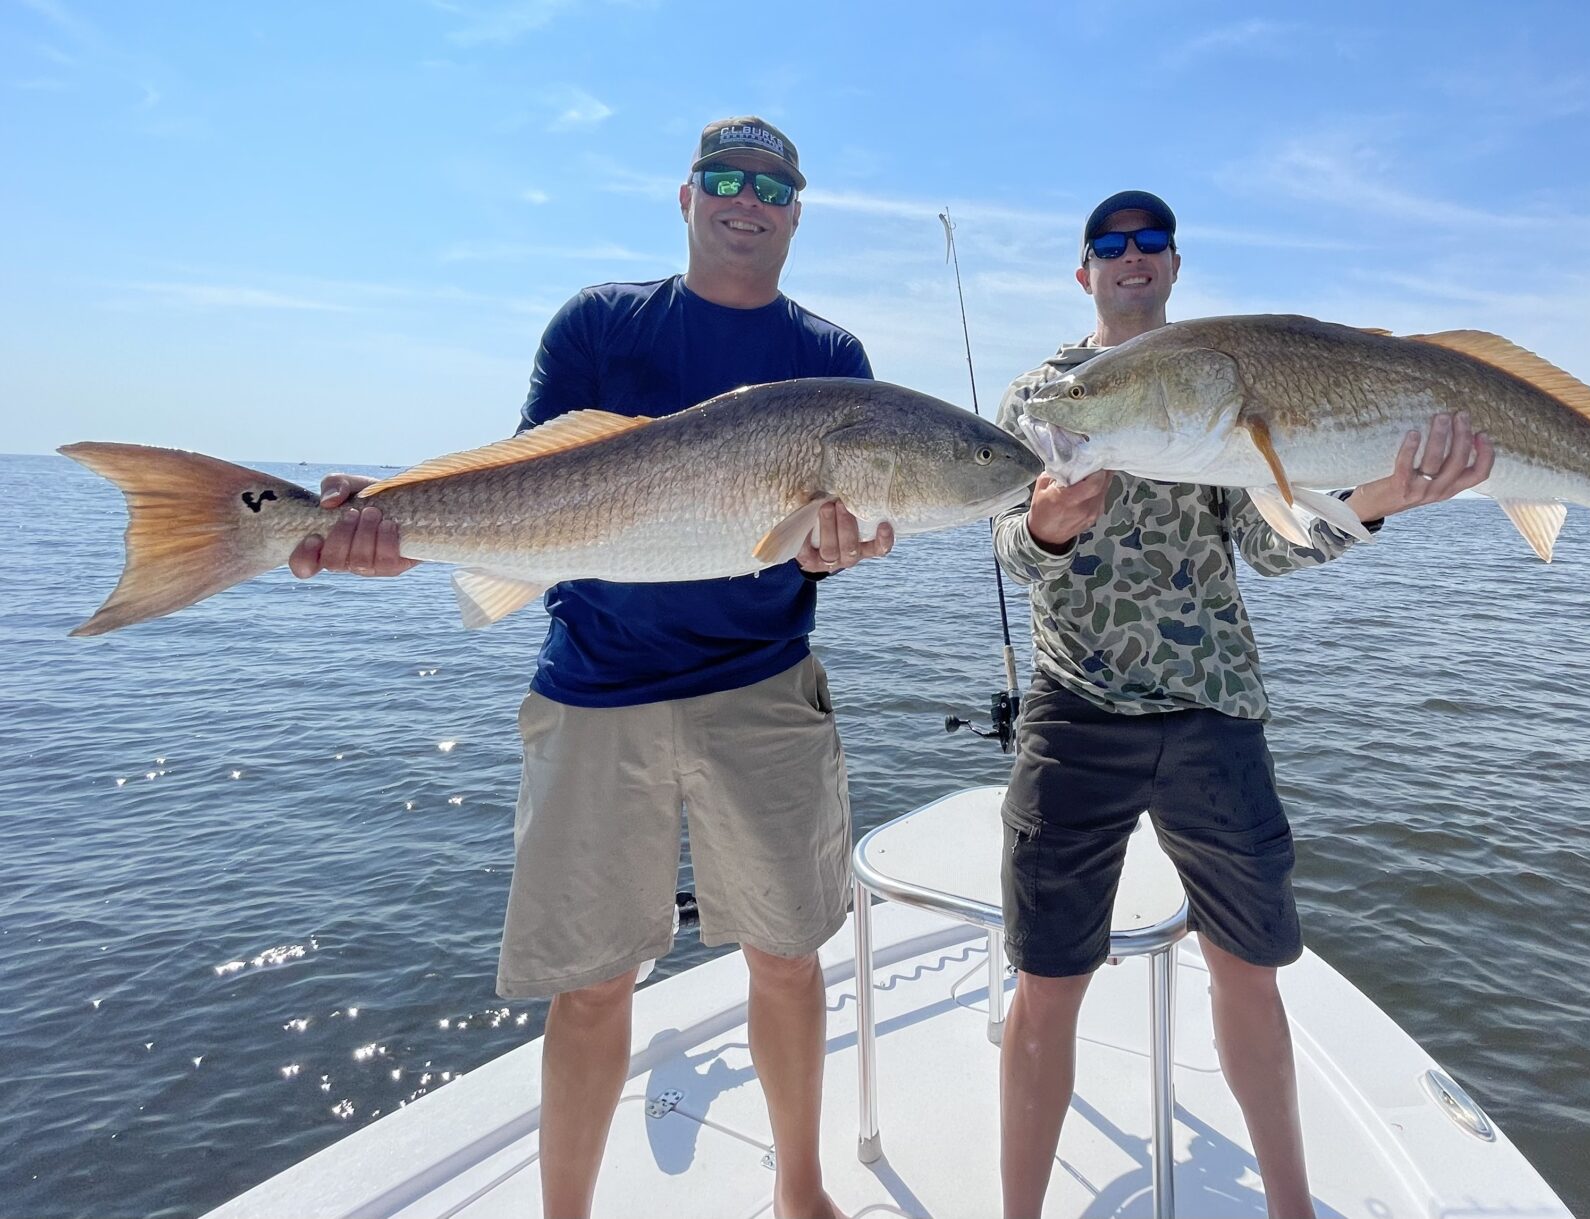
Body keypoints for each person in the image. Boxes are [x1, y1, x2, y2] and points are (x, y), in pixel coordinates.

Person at [292, 116, 887, 1219]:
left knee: (790, 957)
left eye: (771, 184)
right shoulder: (599, 324)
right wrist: (393, 526)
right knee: (591, 985)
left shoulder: (834, 364)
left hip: (761, 688)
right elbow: (519, 489)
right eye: (724, 177)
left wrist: (843, 547)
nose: (744, 199)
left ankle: (799, 1192)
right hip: (596, 686)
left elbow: (817, 546)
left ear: (798, 211)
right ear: (685, 195)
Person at [991, 190, 1493, 1219]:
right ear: (1083, 272)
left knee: (1251, 969)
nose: (1133, 257)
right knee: (1044, 984)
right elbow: (1005, 544)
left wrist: (1368, 505)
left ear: (1174, 267)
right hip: (1075, 704)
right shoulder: (1042, 396)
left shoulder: (1226, 378)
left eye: (1153, 242)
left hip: (1213, 704)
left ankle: (1291, 1208)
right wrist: (1044, 527)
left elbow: (1265, 544)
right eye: (1111, 245)